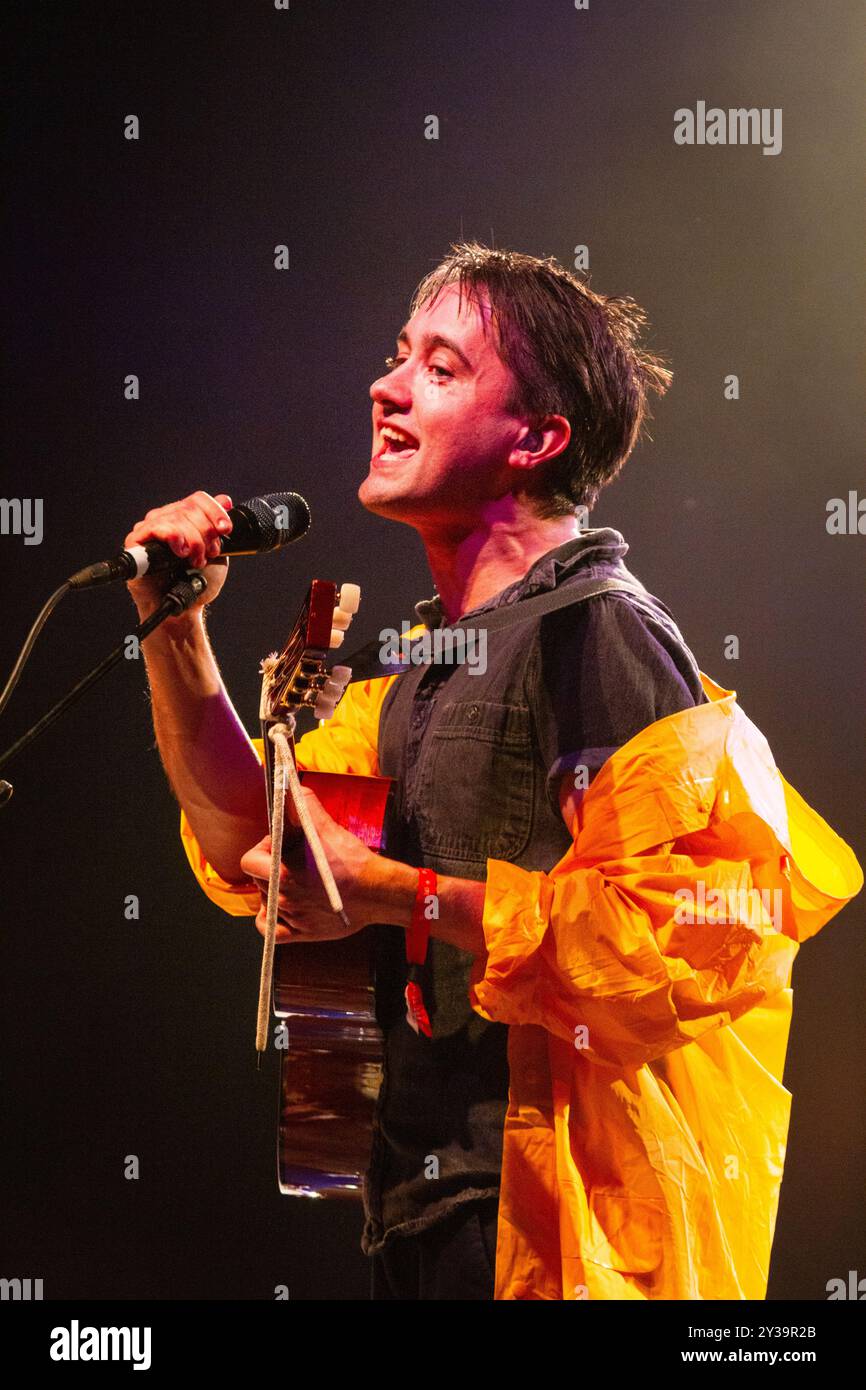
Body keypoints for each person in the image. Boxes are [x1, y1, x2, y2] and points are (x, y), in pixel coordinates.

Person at [125, 243, 861, 1300]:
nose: (383, 389)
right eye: (395, 358)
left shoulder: (598, 631)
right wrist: (173, 630)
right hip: (419, 1221)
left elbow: (691, 926)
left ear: (536, 438)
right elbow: (255, 839)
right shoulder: (425, 668)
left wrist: (392, 891)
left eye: (439, 368)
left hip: (545, 1236)